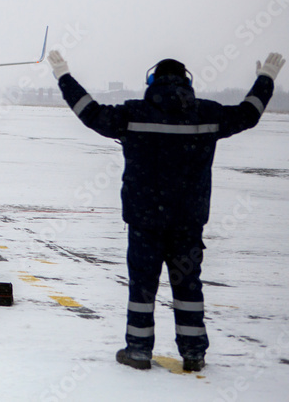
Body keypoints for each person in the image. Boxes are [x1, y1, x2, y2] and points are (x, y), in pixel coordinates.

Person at [47, 50, 284, 372]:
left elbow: (89, 112)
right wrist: (265, 80)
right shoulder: (206, 114)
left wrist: (64, 76)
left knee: (142, 287)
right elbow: (248, 114)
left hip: (145, 220)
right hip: (188, 221)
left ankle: (139, 351)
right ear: (187, 82)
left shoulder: (133, 114)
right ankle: (194, 352)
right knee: (188, 287)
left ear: (150, 81)